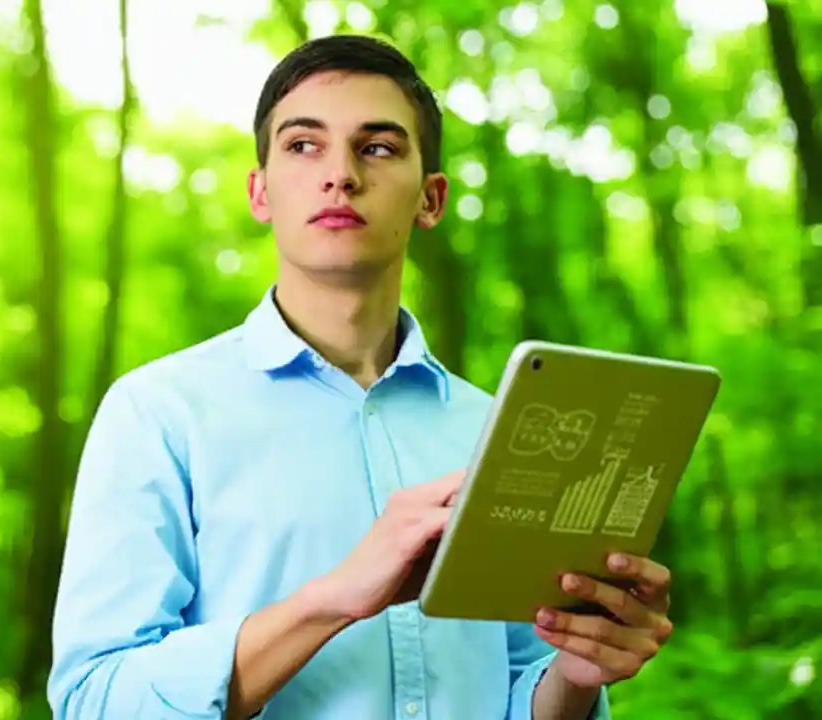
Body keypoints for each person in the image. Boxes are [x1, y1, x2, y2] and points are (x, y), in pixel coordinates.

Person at [47, 34, 673, 719]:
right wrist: (334, 597)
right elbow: (94, 699)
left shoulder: (496, 430)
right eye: (303, 145)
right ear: (260, 192)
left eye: (378, 147)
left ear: (431, 199)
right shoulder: (157, 412)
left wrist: (579, 675)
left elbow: (526, 687)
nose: (339, 173)